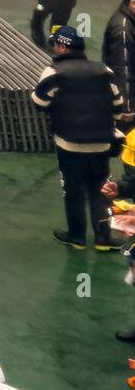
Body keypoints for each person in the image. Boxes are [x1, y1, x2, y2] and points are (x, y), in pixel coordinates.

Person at [31, 24, 123, 251]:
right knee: (101, 190)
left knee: (73, 191)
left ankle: (76, 237)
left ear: (63, 47)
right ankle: (103, 239)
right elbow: (118, 104)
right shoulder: (104, 71)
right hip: (101, 143)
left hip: (69, 144)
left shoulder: (53, 73)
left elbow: (39, 102)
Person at [104, 0, 135, 109]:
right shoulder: (122, 29)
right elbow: (122, 67)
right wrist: (126, 106)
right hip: (127, 96)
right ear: (133, 3)